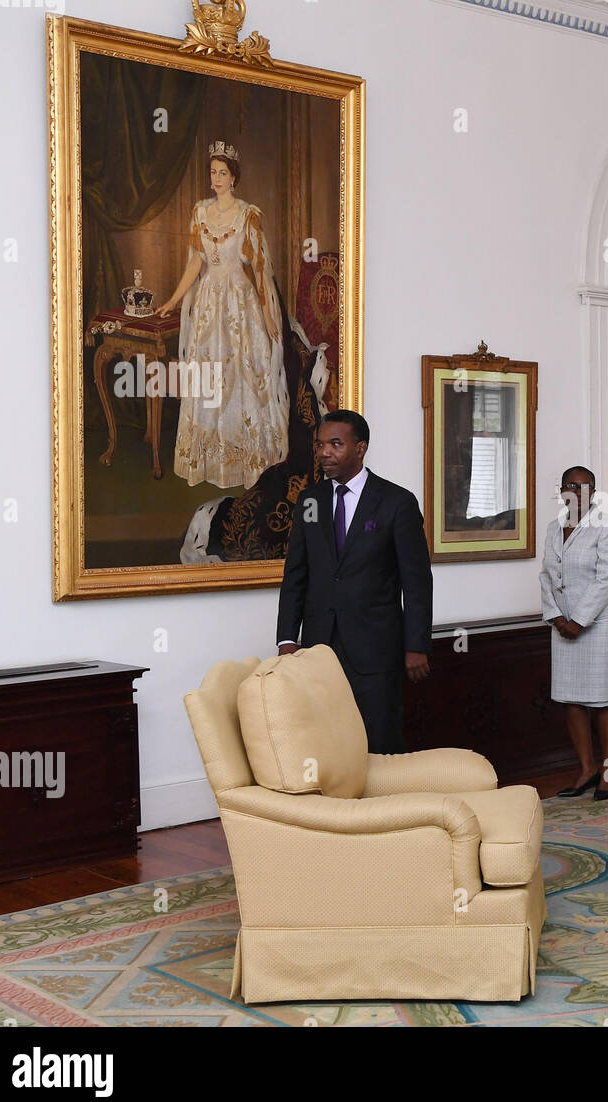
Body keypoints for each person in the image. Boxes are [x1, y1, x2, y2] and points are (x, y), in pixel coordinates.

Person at [276, 411, 433, 754]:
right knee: (328, 741)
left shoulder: (397, 502)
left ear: (360, 449)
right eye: (320, 445)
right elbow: (296, 574)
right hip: (319, 648)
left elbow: (417, 581)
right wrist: (288, 638)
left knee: (379, 741)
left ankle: (387, 808)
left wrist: (416, 644)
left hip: (376, 649)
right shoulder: (311, 501)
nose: (324, 453)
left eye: (335, 444)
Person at [157, 141, 290, 489]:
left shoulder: (248, 215)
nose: (216, 179)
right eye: (212, 173)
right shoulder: (200, 213)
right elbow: (195, 262)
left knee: (243, 373)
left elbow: (260, 270)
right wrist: (173, 300)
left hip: (239, 303)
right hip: (208, 303)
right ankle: (208, 458)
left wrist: (267, 313)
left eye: (222, 173)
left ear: (234, 178)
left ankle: (245, 457)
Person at [539, 467, 608, 800]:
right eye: (569, 485)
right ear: (561, 489)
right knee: (571, 699)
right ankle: (586, 769)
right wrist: (557, 617)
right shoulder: (553, 528)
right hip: (563, 623)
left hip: (601, 621)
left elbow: (607, 578)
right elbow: (547, 575)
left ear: (594, 491)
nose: (576, 491)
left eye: (583, 486)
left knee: (604, 698)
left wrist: (579, 619)